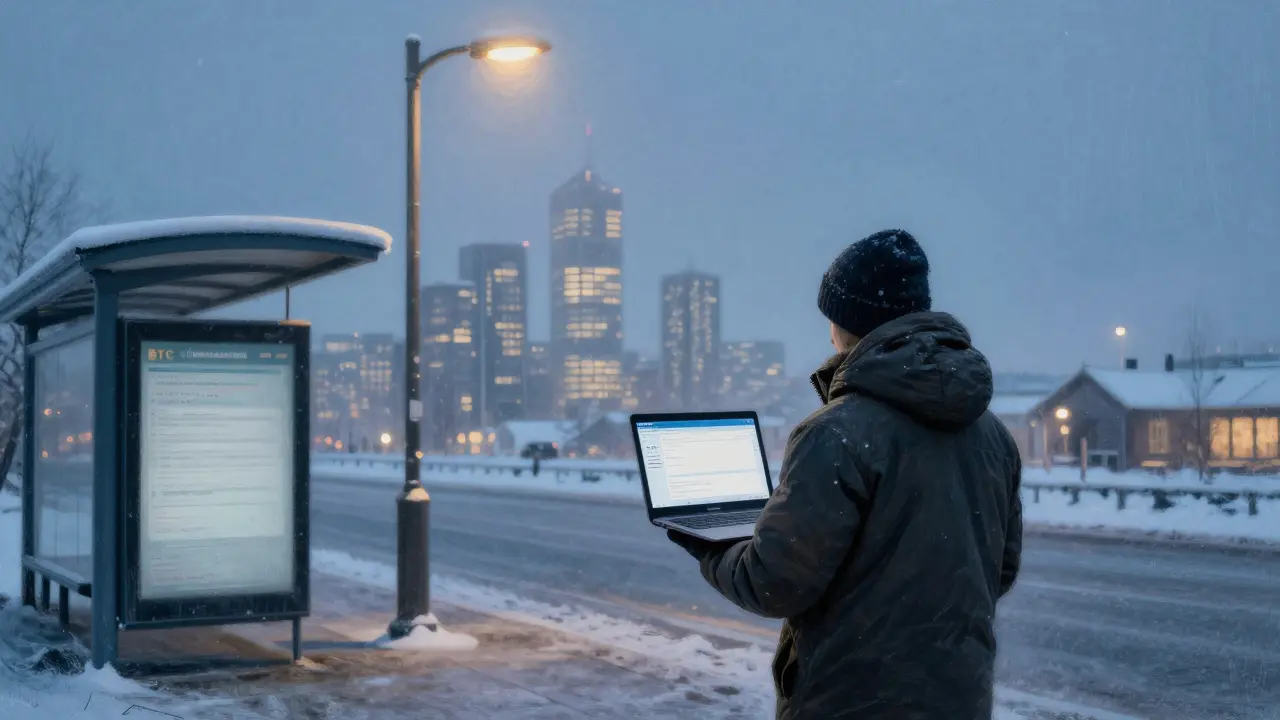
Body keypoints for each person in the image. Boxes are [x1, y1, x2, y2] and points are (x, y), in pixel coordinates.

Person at [668, 229, 1023, 719]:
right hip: (959, 701)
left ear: (848, 323)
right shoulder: (992, 436)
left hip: (852, 702)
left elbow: (774, 583)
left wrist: (711, 544)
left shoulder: (834, 434)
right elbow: (998, 570)